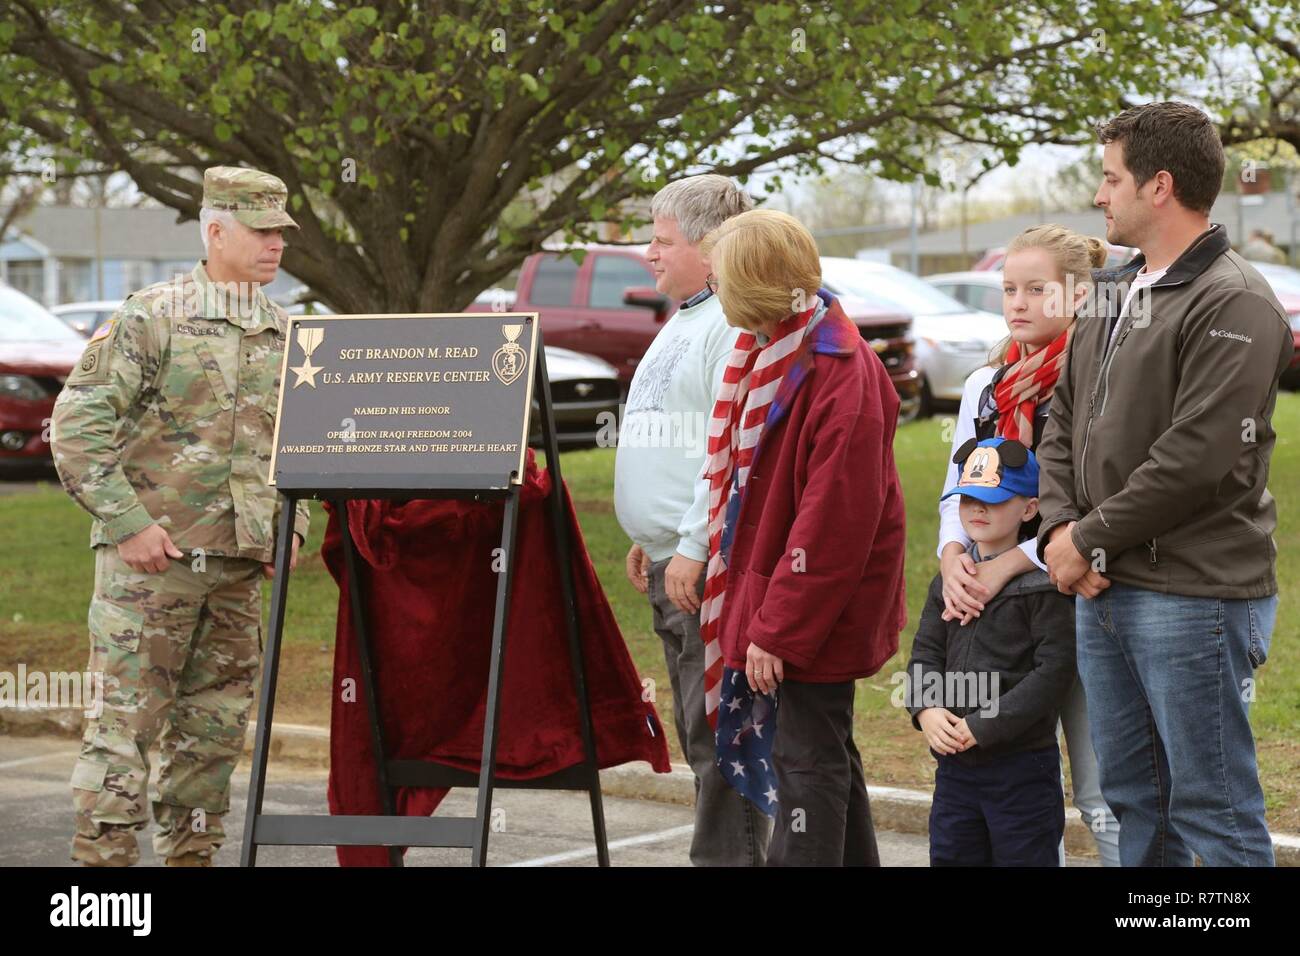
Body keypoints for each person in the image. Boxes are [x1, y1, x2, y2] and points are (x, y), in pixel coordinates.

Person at [1038, 102, 1294, 866]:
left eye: (1110, 178)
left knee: (1212, 814)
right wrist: (1058, 530)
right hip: (1102, 587)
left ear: (1159, 186)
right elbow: (1062, 420)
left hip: (1194, 595)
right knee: (1134, 804)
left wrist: (1086, 536)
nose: (1098, 195)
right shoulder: (1114, 287)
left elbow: (1198, 456)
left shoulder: (1235, 299)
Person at [51, 166, 310, 866]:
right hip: (152, 569)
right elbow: (75, 429)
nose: (275, 246)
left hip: (237, 571)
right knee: (123, 734)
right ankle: (104, 880)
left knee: (213, 736)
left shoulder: (287, 334)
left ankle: (190, 860)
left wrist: (293, 528)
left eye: (280, 232)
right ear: (216, 230)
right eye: (260, 231)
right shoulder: (152, 315)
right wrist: (129, 523)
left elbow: (301, 446)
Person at [697, 209, 907, 867]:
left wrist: (778, 629)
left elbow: (833, 523)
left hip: (814, 608)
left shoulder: (836, 369)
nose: (712, 284)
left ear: (754, 286)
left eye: (720, 275)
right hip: (785, 597)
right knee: (824, 748)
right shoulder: (766, 352)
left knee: (806, 763)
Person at [936, 224, 1120, 866]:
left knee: (1102, 790)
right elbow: (958, 487)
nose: (1017, 302)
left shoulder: (1101, 374)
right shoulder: (985, 387)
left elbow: (1099, 499)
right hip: (999, 615)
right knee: (1012, 772)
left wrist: (1014, 560)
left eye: (1037, 289)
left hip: (1085, 600)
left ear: (1078, 295)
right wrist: (954, 557)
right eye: (1009, 288)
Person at [613, 174, 771, 865]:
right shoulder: (684, 318)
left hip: (701, 568)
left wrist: (690, 544)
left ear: (709, 246)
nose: (648, 253)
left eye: (661, 240)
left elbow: (730, 455)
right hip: (671, 559)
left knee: (717, 733)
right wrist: (649, 537)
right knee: (694, 730)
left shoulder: (726, 325)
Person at [908, 438, 1076, 866]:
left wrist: (984, 726)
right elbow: (926, 653)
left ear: (1029, 509)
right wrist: (926, 710)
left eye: (993, 500)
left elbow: (1054, 671)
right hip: (954, 771)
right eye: (967, 499)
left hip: (1022, 770)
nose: (977, 509)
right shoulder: (947, 583)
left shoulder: (1046, 588)